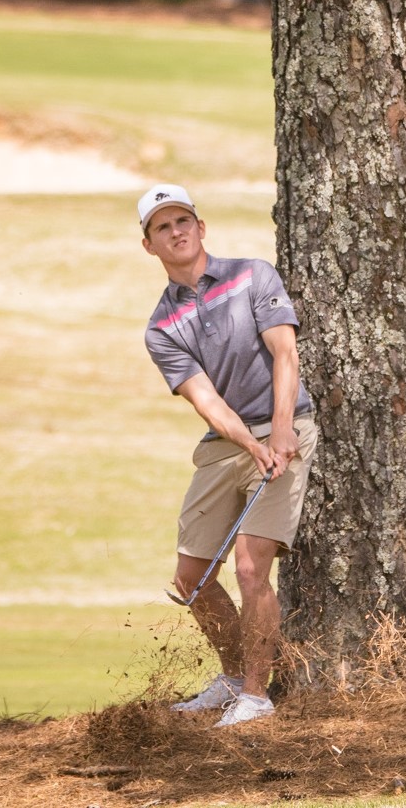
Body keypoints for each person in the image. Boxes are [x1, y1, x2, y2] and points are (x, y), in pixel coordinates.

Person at [137, 183, 319, 728]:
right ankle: (234, 677)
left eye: (183, 220)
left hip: (287, 428)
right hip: (228, 444)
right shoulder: (160, 328)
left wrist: (281, 431)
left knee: (249, 566)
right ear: (149, 245)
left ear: (201, 227)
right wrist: (250, 445)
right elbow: (207, 401)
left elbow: (285, 351)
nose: (176, 231)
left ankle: (257, 697)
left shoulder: (252, 275)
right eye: (163, 226)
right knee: (191, 577)